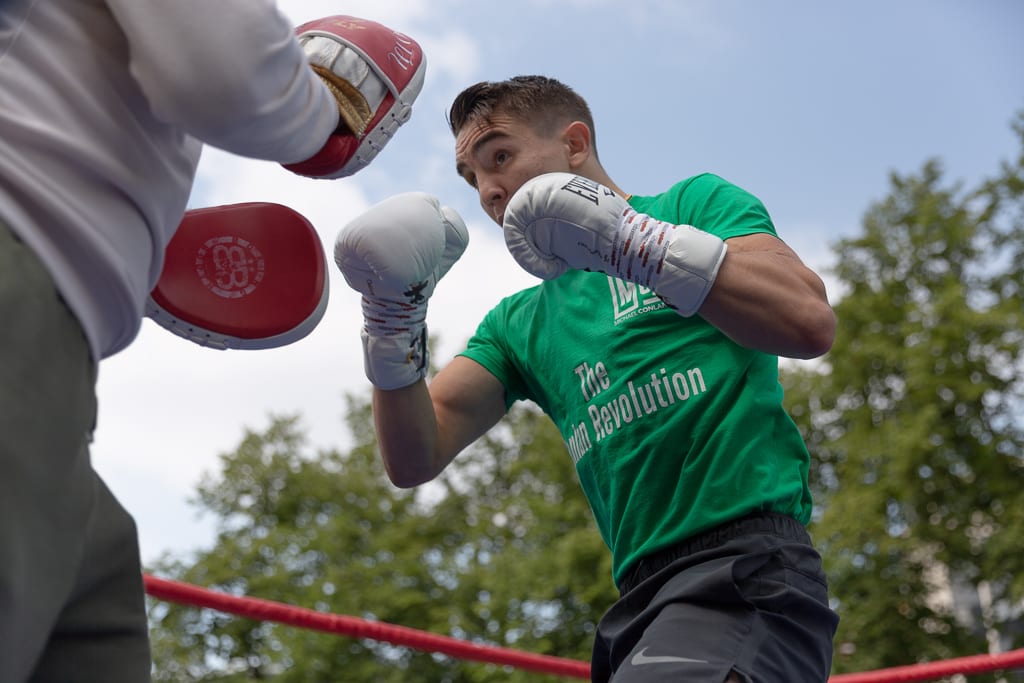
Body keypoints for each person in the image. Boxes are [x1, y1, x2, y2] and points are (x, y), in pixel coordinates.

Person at [335, 75, 840, 682]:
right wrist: (392, 324)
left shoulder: (693, 208)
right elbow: (415, 454)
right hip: (639, 600)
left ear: (574, 145)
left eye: (500, 157)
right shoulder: (519, 323)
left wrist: (635, 243)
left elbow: (807, 321)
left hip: (746, 571)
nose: (491, 190)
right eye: (473, 179)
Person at [0, 3, 423, 681]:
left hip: (60, 356)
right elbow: (223, 70)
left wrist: (142, 258)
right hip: (20, 298)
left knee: (95, 624)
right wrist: (325, 115)